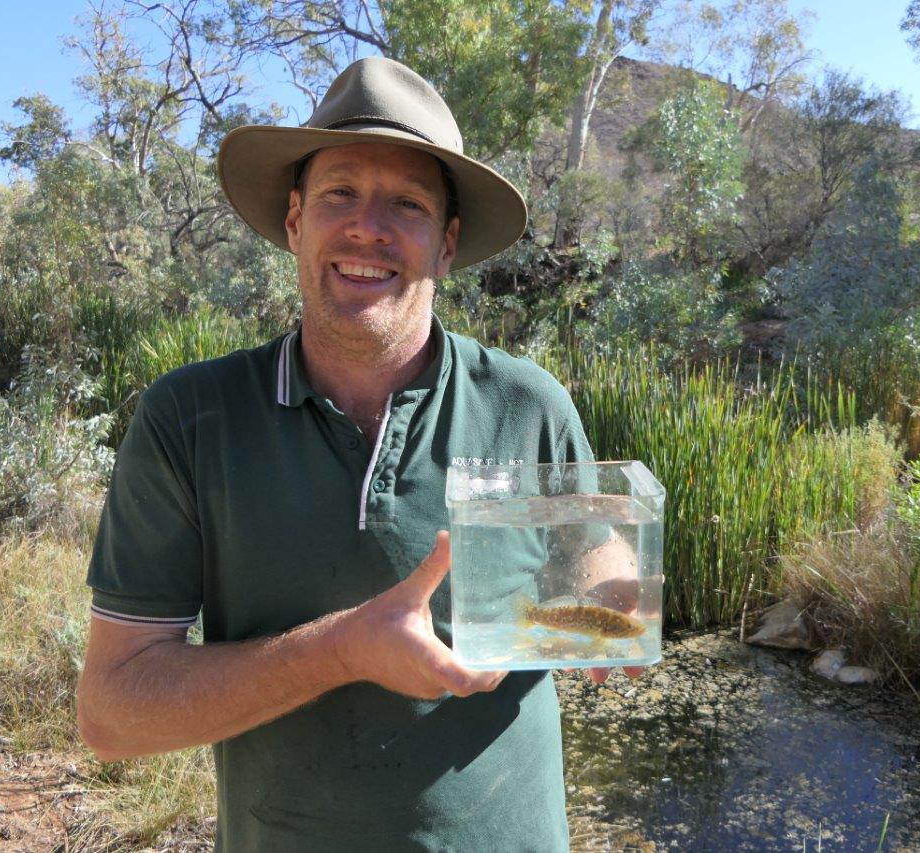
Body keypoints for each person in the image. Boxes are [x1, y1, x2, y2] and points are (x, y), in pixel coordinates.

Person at [76, 56, 644, 851]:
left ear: (446, 246)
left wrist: (611, 590)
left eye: (406, 203)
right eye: (340, 192)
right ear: (294, 222)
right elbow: (112, 709)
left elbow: (593, 551)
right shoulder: (192, 418)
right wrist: (342, 649)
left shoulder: (528, 403)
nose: (367, 226)